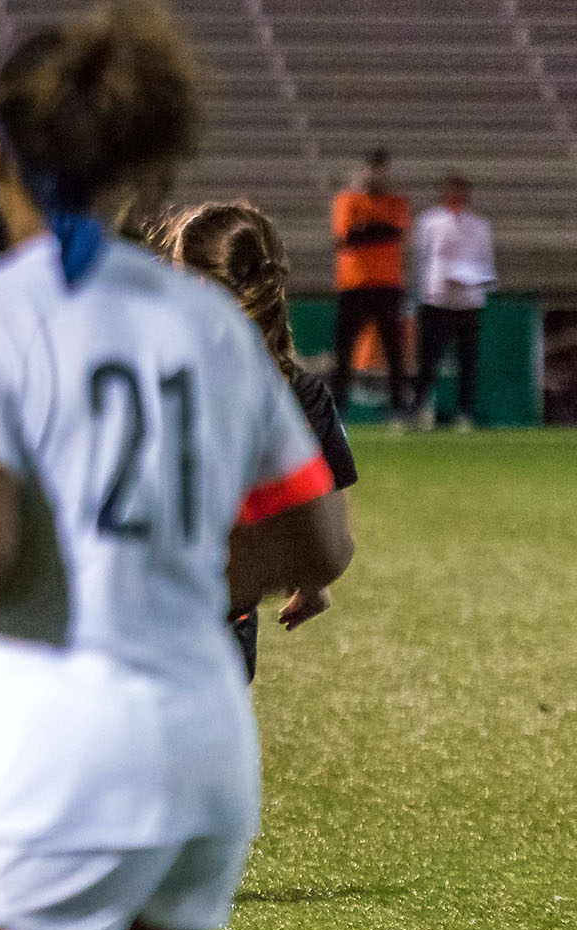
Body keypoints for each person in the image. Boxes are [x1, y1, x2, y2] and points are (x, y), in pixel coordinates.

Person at [0, 4, 353, 930]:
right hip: (206, 756)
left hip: (61, 752)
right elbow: (320, 542)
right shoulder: (214, 325)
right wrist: (171, 592)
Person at [153, 201, 360, 681]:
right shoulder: (297, 394)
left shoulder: (149, 376)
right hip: (228, 625)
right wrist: (307, 583)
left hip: (139, 619)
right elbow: (333, 548)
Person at [331, 147, 411, 419]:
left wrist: (366, 228)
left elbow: (394, 231)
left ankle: (398, 408)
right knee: (344, 350)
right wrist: (371, 229)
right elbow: (346, 236)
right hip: (354, 284)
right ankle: (337, 408)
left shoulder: (395, 201)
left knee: (393, 351)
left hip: (387, 284)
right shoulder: (348, 200)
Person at [412, 174, 495, 431]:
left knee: (466, 361)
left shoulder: (479, 225)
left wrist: (479, 279)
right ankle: (420, 409)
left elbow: (485, 260)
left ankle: (464, 412)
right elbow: (421, 259)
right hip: (437, 299)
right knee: (428, 359)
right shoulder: (430, 221)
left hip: (468, 301)